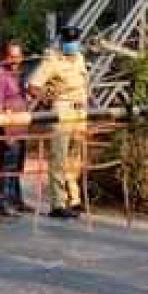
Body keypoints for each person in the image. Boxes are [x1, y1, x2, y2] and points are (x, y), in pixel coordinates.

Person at [27, 25, 88, 219]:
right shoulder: (52, 60)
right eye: (69, 42)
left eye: (75, 41)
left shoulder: (79, 58)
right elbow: (33, 86)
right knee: (59, 159)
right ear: (62, 42)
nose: (73, 45)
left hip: (80, 111)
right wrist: (48, 96)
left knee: (75, 159)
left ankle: (74, 199)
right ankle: (58, 203)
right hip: (62, 110)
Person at [0, 41, 34, 217]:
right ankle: (4, 202)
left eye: (17, 56)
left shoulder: (22, 75)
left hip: (22, 127)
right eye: (11, 56)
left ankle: (17, 199)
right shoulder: (1, 75)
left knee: (17, 166)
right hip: (8, 129)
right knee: (7, 165)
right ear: (5, 57)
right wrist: (4, 127)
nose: (14, 60)